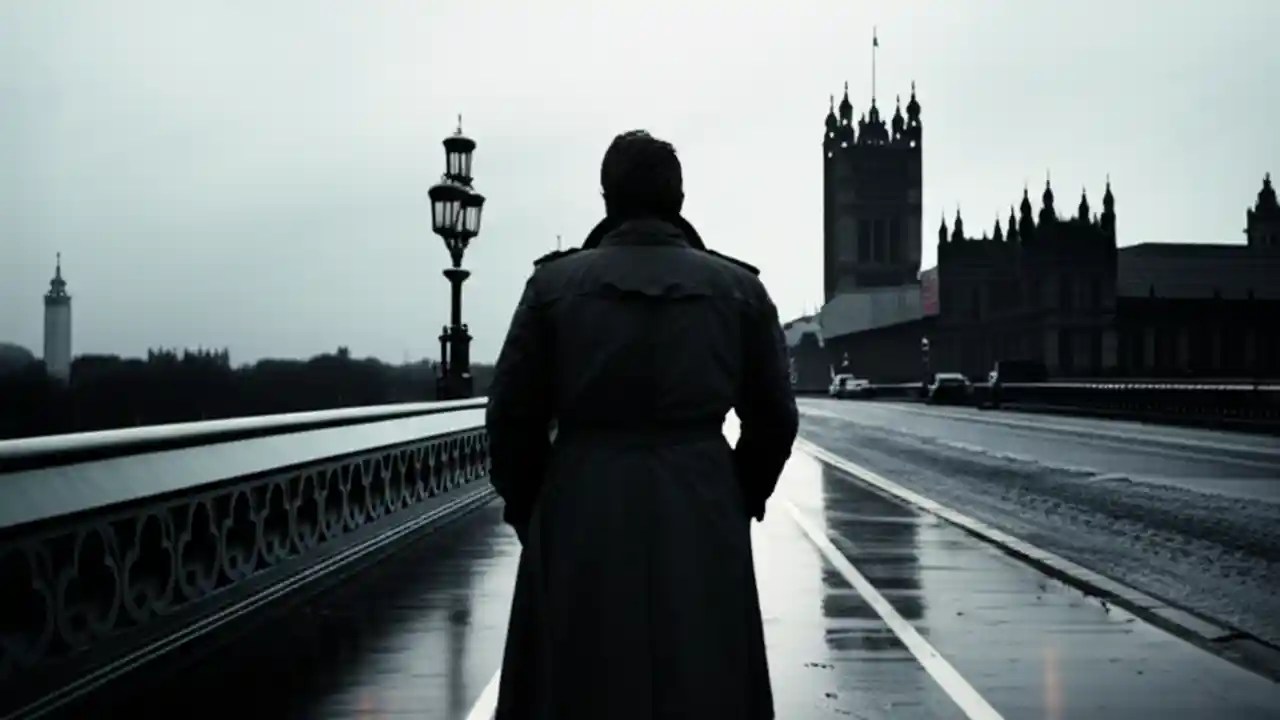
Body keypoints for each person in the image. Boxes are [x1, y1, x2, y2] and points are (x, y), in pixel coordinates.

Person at [486, 129, 799, 719]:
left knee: (575, 683)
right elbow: (775, 419)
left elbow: (509, 418)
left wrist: (537, 508)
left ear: (607, 198)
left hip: (581, 500)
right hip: (701, 502)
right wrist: (737, 494)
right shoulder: (740, 290)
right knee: (707, 679)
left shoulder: (550, 288)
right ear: (678, 200)